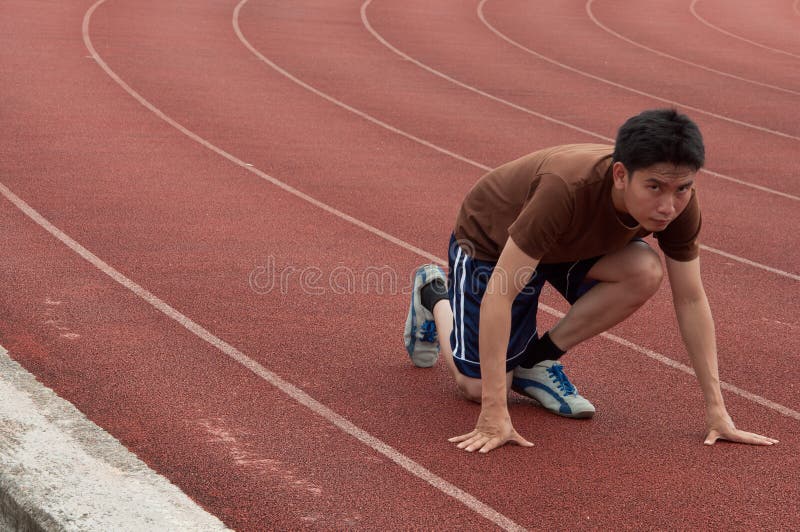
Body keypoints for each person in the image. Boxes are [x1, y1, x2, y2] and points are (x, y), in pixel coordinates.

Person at [404, 108, 777, 454]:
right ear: (619, 175)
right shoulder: (564, 187)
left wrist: (717, 411)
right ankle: (434, 292)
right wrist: (494, 412)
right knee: (476, 387)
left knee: (644, 270)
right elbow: (500, 295)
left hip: (568, 246)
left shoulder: (680, 203)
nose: (668, 206)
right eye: (654, 188)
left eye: (682, 188)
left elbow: (691, 299)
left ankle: (537, 361)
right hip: (494, 243)